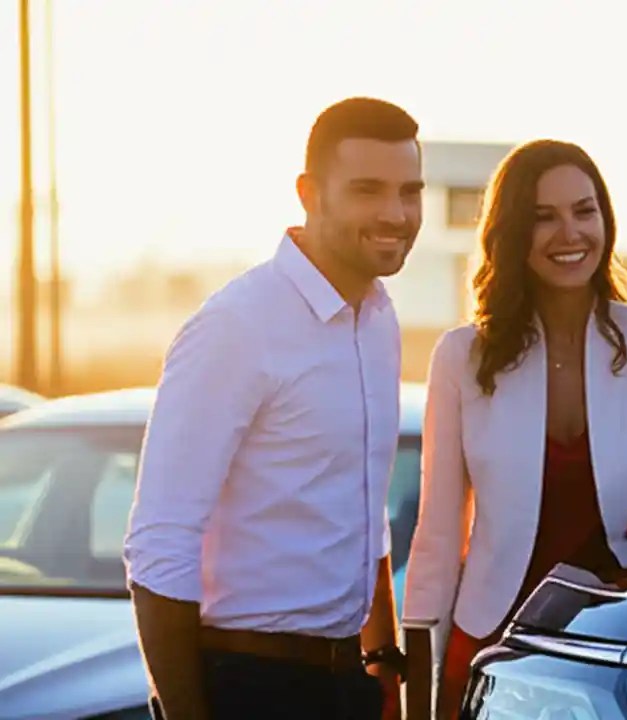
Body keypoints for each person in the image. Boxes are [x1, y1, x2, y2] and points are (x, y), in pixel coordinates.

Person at [400, 139, 627, 719]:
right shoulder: (462, 356)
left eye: (585, 211)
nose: (570, 233)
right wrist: (416, 690)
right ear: (510, 233)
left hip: (617, 639)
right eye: (543, 218)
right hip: (492, 640)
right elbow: (435, 536)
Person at [123, 97, 424, 720]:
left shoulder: (380, 319)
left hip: (349, 685)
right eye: (368, 190)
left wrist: (383, 669)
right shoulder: (237, 325)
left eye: (409, 190)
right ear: (308, 193)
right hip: (250, 684)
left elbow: (366, 518)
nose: (395, 214)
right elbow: (160, 542)